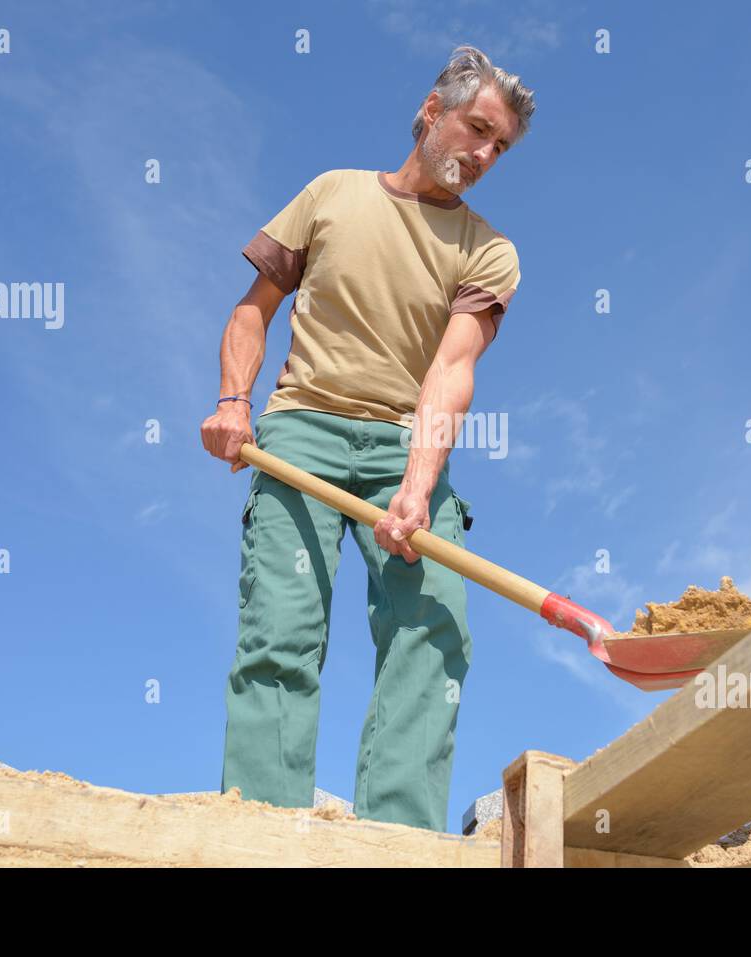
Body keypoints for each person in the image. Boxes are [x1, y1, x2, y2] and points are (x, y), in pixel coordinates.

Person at [201, 45, 534, 832]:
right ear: (431, 111)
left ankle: (399, 837)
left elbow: (452, 370)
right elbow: (255, 308)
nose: (484, 154)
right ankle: (262, 831)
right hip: (298, 434)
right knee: (280, 631)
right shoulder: (331, 194)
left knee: (433, 628)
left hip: (402, 447)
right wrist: (232, 401)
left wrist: (418, 489)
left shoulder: (490, 250)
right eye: (476, 128)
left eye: (500, 146)